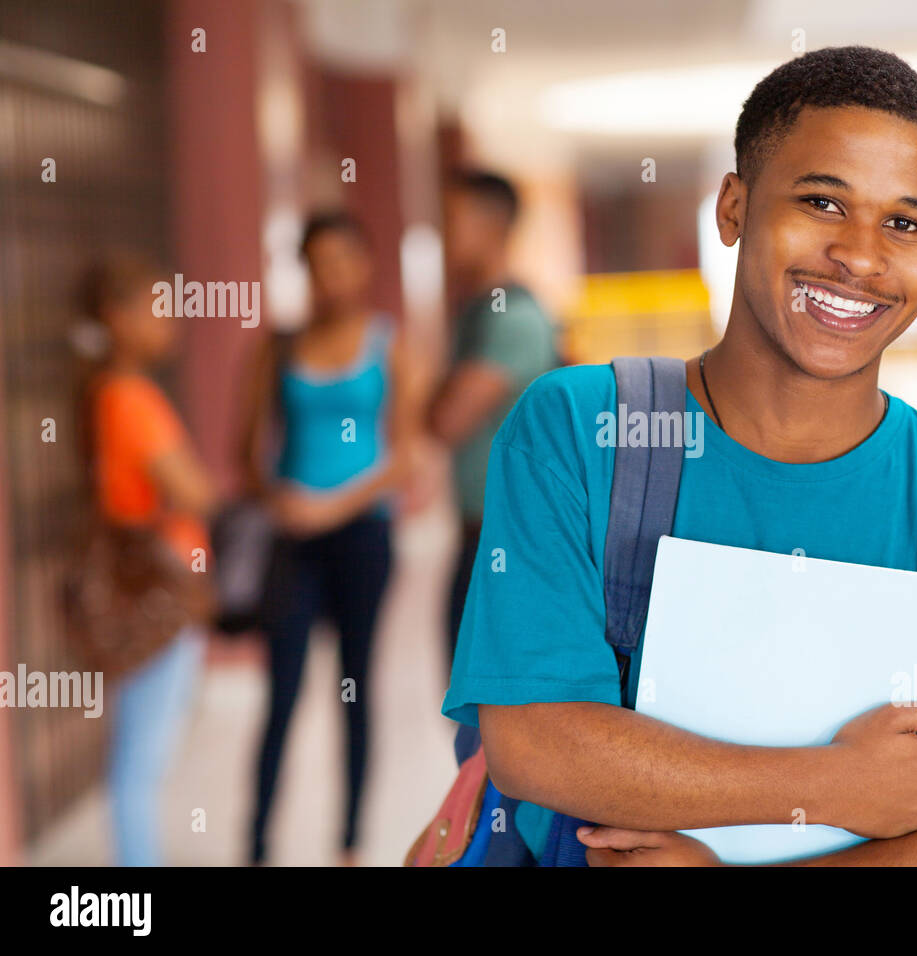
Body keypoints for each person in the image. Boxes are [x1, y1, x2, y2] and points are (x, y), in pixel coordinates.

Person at [441, 46, 917, 866]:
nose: (861, 256)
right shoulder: (577, 430)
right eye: (823, 202)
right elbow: (534, 739)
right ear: (733, 209)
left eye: (906, 223)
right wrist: (830, 783)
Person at [238, 211, 426, 866]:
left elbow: (405, 457)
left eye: (343, 261)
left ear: (366, 265)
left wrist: (334, 507)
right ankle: (257, 843)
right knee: (282, 693)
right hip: (293, 544)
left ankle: (348, 843)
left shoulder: (387, 343)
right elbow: (247, 452)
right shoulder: (279, 347)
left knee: (355, 686)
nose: (331, 277)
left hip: (362, 539)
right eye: (318, 265)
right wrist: (280, 499)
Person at [77, 253, 217, 866]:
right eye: (157, 309)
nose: (171, 323)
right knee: (140, 759)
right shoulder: (130, 397)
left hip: (148, 586)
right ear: (117, 317)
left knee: (140, 750)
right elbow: (193, 491)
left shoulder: (103, 393)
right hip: (158, 592)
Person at [428, 170, 559, 682]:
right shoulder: (479, 313)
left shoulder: (515, 318)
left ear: (492, 225)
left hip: (507, 536)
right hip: (478, 531)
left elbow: (444, 420)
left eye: (452, 221)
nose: (443, 235)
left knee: (488, 705)